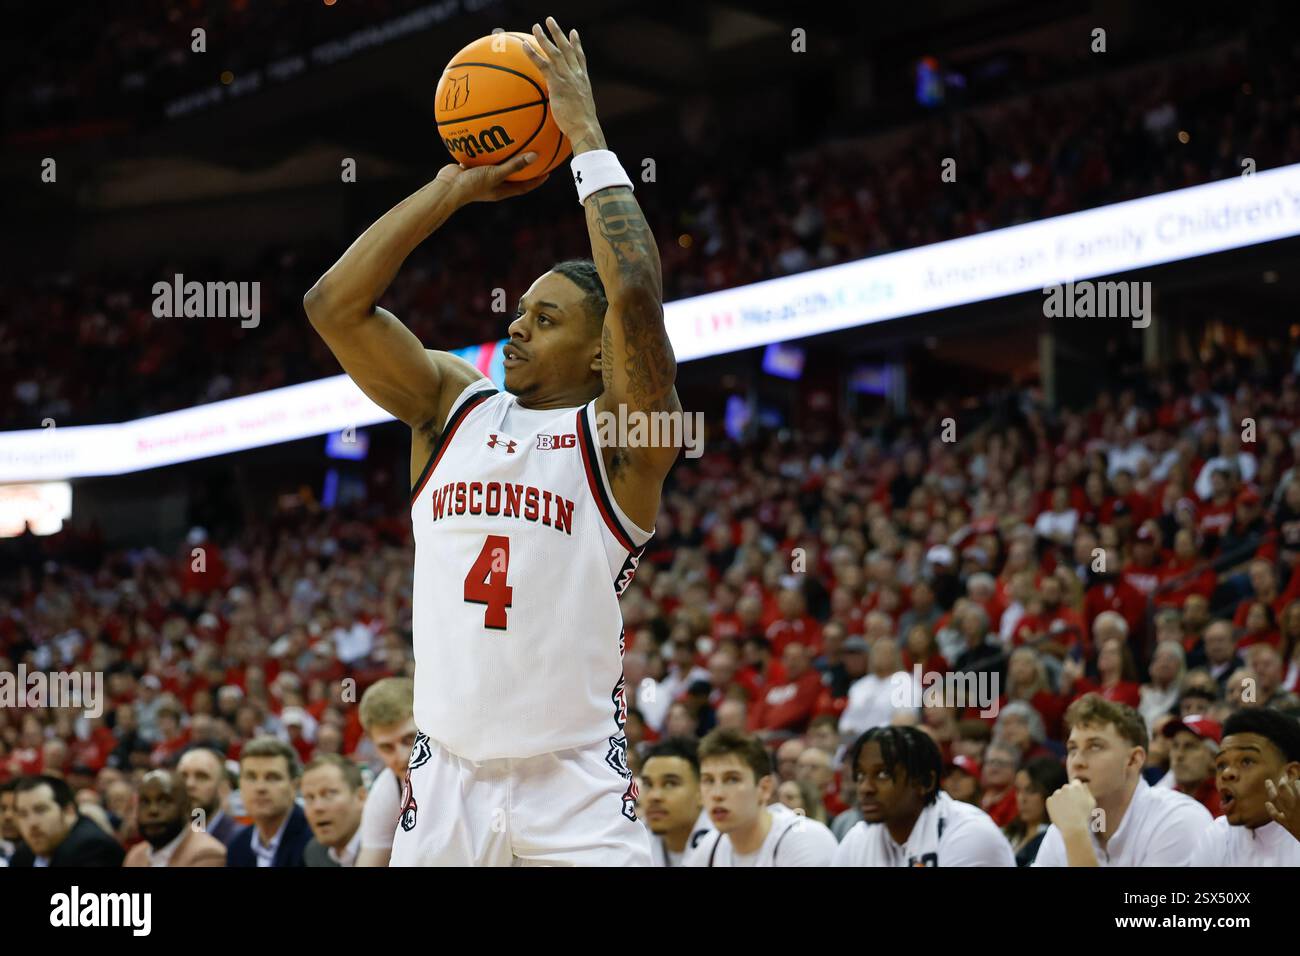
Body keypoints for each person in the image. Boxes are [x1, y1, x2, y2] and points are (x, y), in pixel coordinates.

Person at [307, 17, 678, 866]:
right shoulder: (452, 407)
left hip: (576, 779)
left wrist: (584, 134)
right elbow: (334, 308)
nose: (515, 330)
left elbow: (637, 295)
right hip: (446, 780)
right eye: (517, 313)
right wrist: (452, 190)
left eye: (544, 321)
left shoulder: (623, 445)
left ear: (598, 349)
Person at [1033, 695, 1213, 866]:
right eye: (1072, 749)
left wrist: (1075, 835)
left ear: (1134, 760)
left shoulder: (1178, 820)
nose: (1077, 762)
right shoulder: (1065, 826)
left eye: (1095, 746)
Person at [831, 726, 1015, 866]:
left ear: (925, 782)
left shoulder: (969, 834)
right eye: (861, 775)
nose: (865, 788)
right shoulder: (858, 838)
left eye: (883, 774)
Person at [683, 729, 838, 866]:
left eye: (732, 779)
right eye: (708, 780)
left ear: (764, 788)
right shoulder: (710, 846)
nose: (717, 794)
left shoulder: (805, 839)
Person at [1190, 708, 1300, 864]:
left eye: (1247, 761)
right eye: (1221, 764)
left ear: (1290, 774)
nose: (1227, 773)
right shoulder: (1218, 834)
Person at [354, 677, 417, 867]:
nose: (402, 756)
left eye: (409, 739)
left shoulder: (464, 767)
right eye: (387, 747)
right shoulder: (387, 788)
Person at [227, 736, 313, 867]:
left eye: (272, 777)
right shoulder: (237, 846)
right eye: (251, 777)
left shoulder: (313, 843)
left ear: (294, 787)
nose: (260, 788)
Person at [10, 775, 125, 867]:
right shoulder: (25, 852)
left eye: (41, 810)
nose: (32, 823)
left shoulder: (92, 848)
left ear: (69, 811)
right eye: (22, 814)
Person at [123, 769, 227, 867]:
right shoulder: (135, 855)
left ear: (186, 807)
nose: (153, 810)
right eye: (145, 802)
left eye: (164, 801)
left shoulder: (207, 854)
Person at [639, 737, 711, 866]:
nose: (654, 796)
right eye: (648, 784)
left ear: (702, 792)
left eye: (670, 784)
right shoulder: (632, 840)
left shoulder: (730, 841)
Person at [301, 755, 368, 867]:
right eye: (309, 798)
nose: (317, 807)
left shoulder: (391, 847)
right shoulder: (314, 852)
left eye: (329, 794)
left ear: (361, 797)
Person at [1004, 757, 1068, 866]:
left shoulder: (1057, 838)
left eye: (1031, 791)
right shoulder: (1009, 831)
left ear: (1050, 793)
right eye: (1018, 790)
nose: (1021, 798)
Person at [1156, 715, 1223, 815]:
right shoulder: (1165, 800)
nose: (1179, 755)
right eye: (1175, 746)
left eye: (1190, 746)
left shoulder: (1225, 805)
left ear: (1214, 758)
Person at [177, 745, 241, 846]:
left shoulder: (239, 841)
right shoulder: (164, 838)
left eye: (202, 776)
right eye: (183, 776)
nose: (190, 784)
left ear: (223, 789)